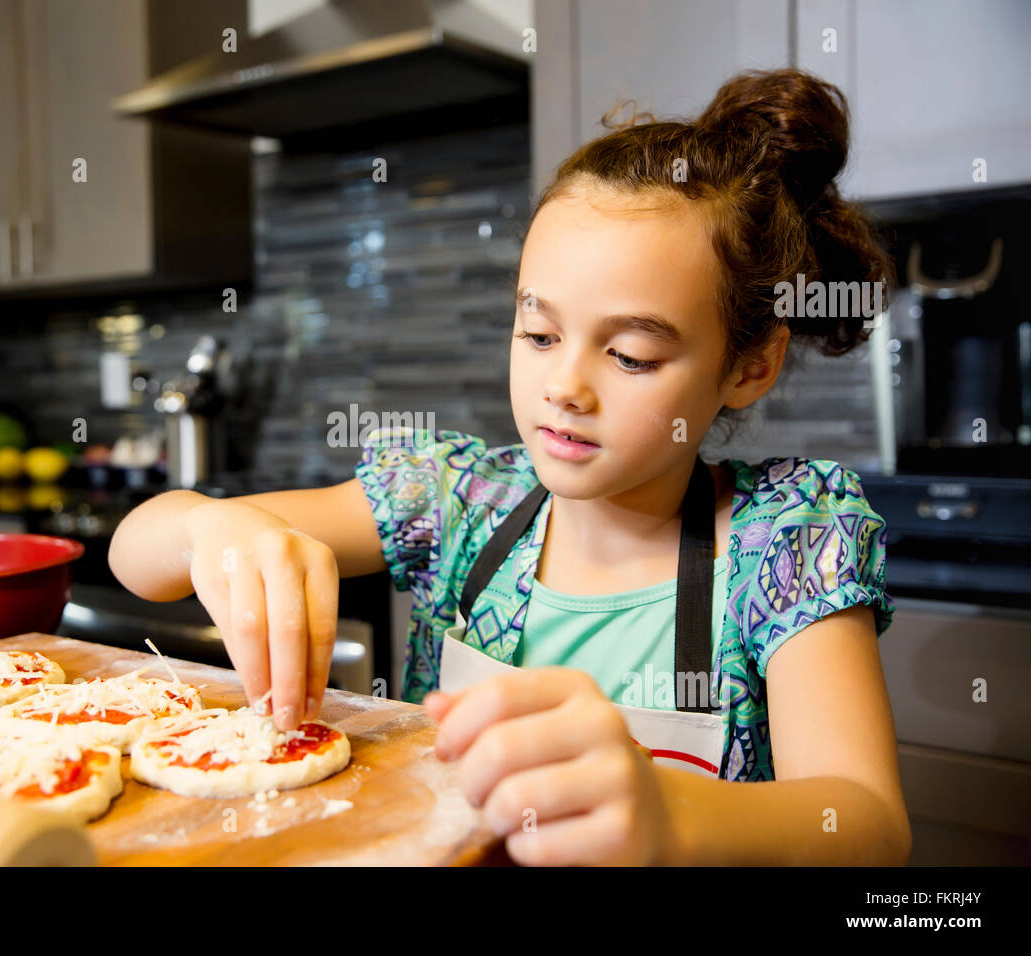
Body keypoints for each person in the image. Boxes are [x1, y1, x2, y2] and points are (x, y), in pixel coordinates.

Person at [109, 68, 911, 866]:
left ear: (748, 367)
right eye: (538, 334)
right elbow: (136, 556)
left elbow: (867, 825)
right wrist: (204, 526)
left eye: (630, 355)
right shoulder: (457, 501)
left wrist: (671, 815)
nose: (564, 387)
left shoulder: (787, 542)